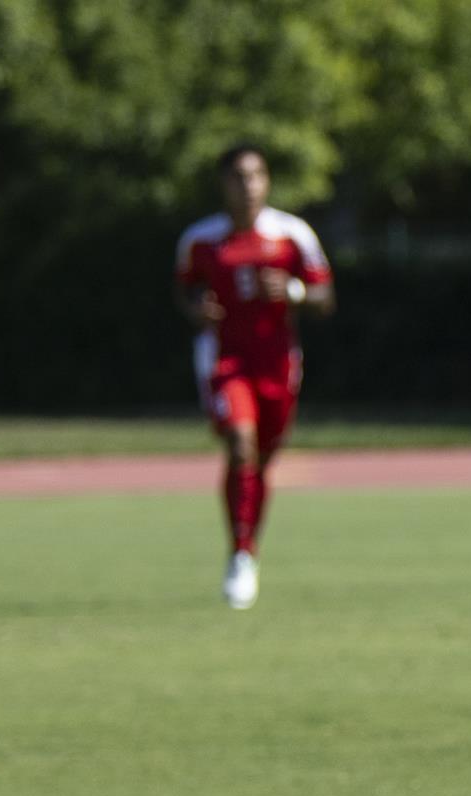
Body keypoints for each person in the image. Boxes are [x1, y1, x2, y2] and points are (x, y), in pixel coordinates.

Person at [173, 144, 335, 610]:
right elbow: (184, 291)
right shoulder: (201, 240)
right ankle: (240, 554)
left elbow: (326, 297)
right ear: (224, 184)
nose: (248, 186)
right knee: (240, 444)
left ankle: (249, 545)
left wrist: (294, 291)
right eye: (239, 177)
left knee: (261, 460)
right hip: (226, 360)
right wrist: (196, 308)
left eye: (256, 175)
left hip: (277, 362)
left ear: (267, 181)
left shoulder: (291, 234)